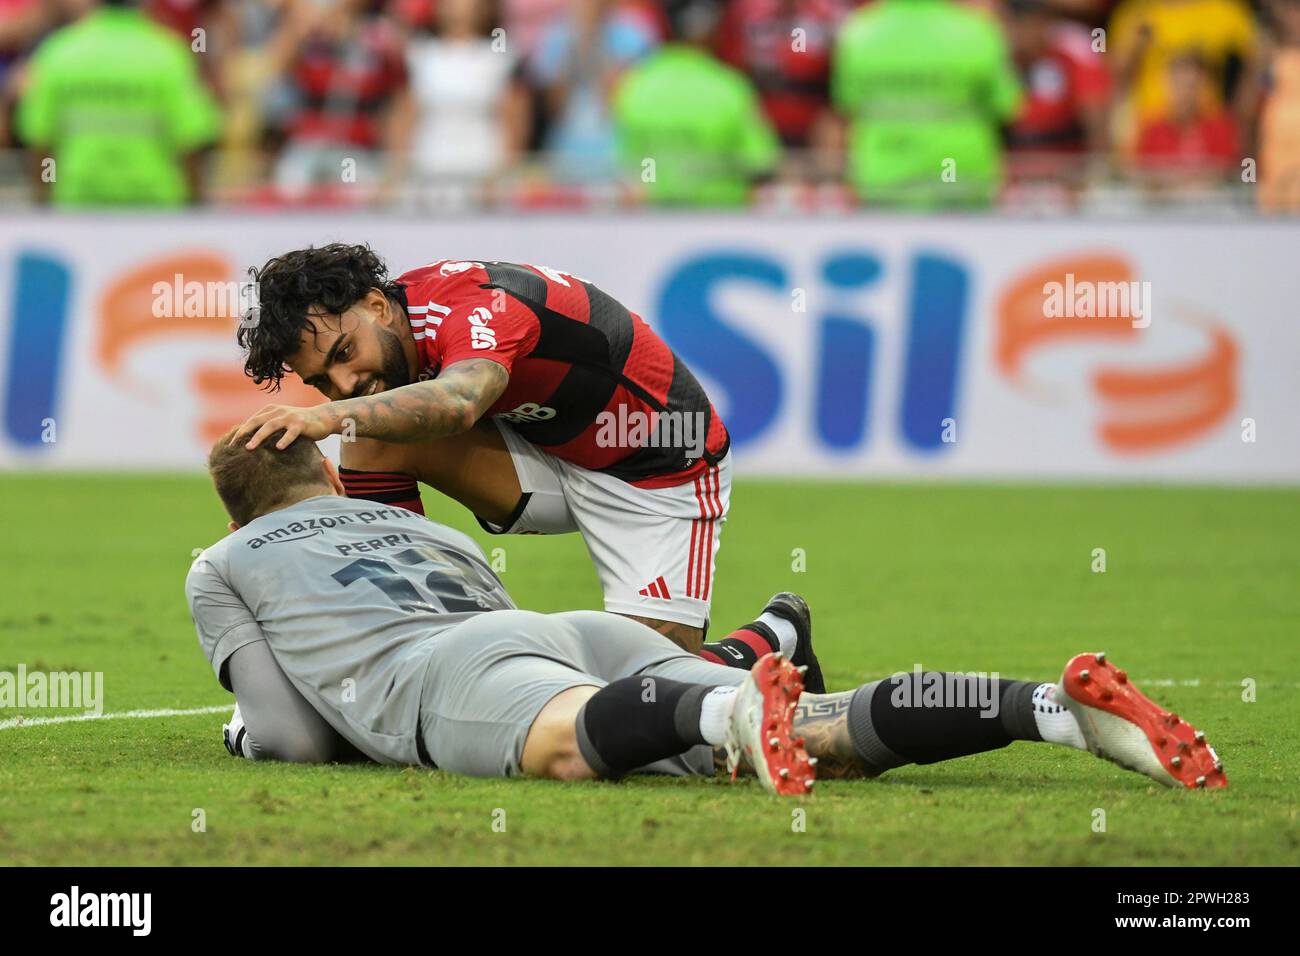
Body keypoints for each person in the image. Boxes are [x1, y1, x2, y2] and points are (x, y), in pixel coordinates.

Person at [191, 429, 1229, 795]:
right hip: (576, 633)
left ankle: (730, 708)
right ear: (325, 466)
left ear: (237, 503)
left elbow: (288, 736)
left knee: (563, 748)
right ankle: (1041, 705)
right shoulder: (439, 533)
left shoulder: (223, 559)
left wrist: (242, 733)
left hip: (449, 671)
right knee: (821, 732)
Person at [229, 244, 824, 690]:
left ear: (377, 306)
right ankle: (397, 635)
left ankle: (775, 636)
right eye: (321, 383)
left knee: (645, 691)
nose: (343, 383)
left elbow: (461, 401)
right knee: (370, 433)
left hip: (657, 467)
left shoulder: (478, 306)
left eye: (343, 354)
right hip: (543, 451)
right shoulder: (394, 335)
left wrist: (330, 418)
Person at [14, 0, 221, 206]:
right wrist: (195, 203)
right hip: (155, 205)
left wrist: (42, 200)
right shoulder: (168, 53)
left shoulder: (60, 51)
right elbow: (191, 141)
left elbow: (39, 138)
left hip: (77, 202)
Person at [831, 0, 1022, 208]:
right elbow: (1008, 106)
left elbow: (847, 102)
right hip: (961, 183)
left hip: (882, 183)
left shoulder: (858, 32)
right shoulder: (976, 31)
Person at [612, 0, 780, 206]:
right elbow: (762, 165)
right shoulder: (729, 88)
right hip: (723, 222)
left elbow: (629, 169)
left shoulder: (636, 86)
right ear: (709, 29)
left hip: (654, 223)